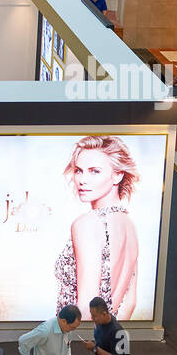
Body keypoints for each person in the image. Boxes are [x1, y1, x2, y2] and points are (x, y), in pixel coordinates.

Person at [55, 135, 141, 319]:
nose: (82, 180)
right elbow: (130, 303)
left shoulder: (87, 224)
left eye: (94, 171)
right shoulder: (129, 225)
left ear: (118, 175)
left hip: (76, 334)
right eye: (78, 170)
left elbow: (87, 307)